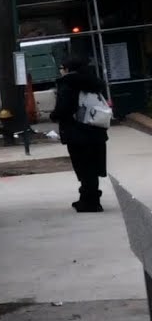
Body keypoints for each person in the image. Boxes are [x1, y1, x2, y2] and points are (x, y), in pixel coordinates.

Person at [49, 56, 108, 212]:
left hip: (77, 132)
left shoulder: (68, 84)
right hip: (96, 129)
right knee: (93, 167)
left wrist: (54, 115)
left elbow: (64, 108)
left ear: (68, 69)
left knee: (83, 167)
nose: (61, 71)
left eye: (62, 68)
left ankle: (90, 203)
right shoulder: (94, 82)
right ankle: (90, 199)